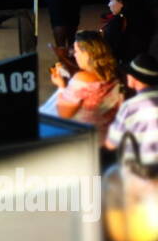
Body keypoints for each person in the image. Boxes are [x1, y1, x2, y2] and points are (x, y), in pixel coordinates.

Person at [102, 53, 158, 178]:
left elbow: (111, 144)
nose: (127, 76)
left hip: (135, 175)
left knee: (107, 174)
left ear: (134, 78)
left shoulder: (129, 106)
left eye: (129, 73)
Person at [49, 30, 123, 160]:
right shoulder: (116, 73)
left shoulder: (81, 79)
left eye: (76, 51)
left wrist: (61, 86)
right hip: (110, 140)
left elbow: (64, 114)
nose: (74, 55)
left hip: (86, 145)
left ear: (88, 54)